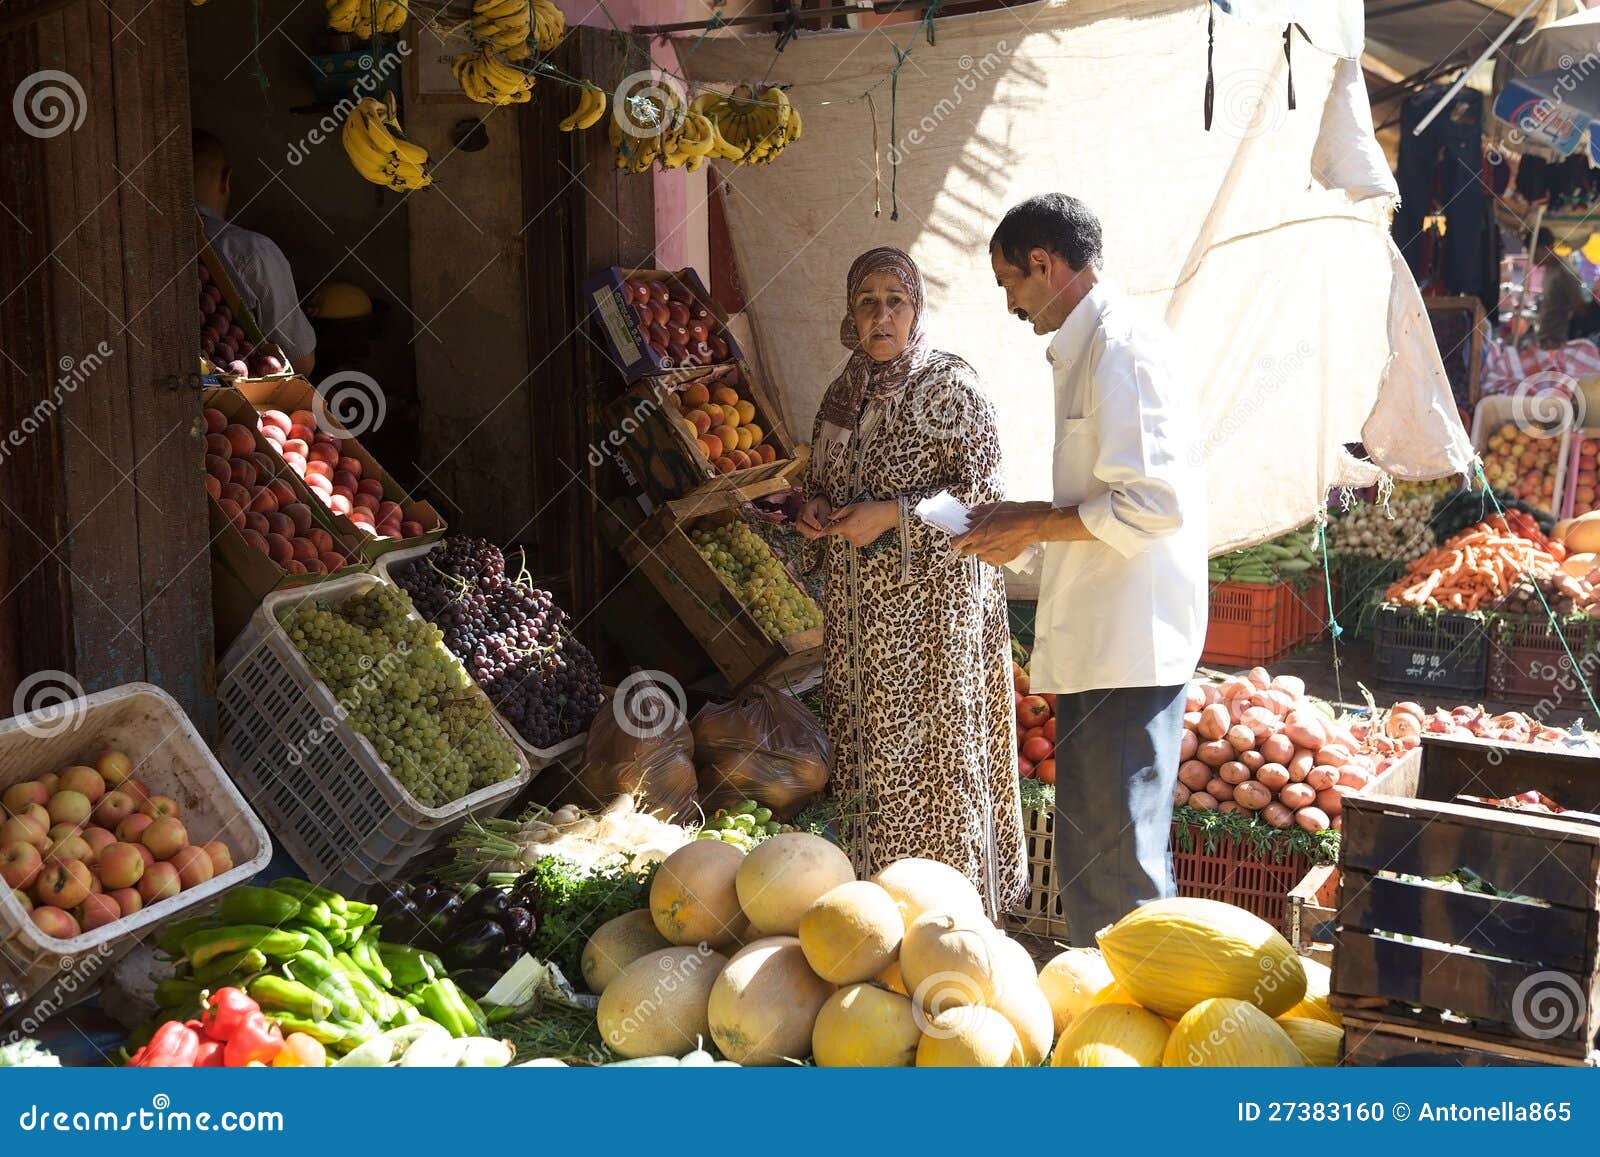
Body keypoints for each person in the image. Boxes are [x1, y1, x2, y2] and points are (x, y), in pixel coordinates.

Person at [953, 195, 1206, 945]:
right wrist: (1025, 512)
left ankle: (1153, 1041)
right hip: (1103, 638)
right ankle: (1114, 1016)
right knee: (1094, 848)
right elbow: (1105, 493)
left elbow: (1154, 503)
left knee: (1121, 856)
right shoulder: (1089, 344)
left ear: (1045, 263)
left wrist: (1032, 522)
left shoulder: (1123, 348)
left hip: (1133, 642)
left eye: (1011, 283)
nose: (1010, 304)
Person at [797, 246, 1026, 918]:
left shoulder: (950, 388)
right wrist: (815, 508)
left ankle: (952, 925)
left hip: (931, 629)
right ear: (851, 312)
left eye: (895, 299)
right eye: (867, 301)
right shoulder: (844, 389)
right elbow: (821, 476)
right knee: (869, 770)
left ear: (917, 307)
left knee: (935, 769)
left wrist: (893, 517)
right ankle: (874, 923)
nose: (882, 313)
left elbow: (986, 504)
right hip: (858, 630)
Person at [193, 129, 317, 376]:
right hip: (236, 405)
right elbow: (300, 362)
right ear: (226, 179)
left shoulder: (135, 248)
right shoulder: (253, 251)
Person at [1534, 229, 1591, 348]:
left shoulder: (1565, 273)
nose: (1532, 258)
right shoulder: (1549, 268)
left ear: (1548, 248)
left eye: (1535, 253)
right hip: (1545, 337)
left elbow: (1580, 308)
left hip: (1558, 341)